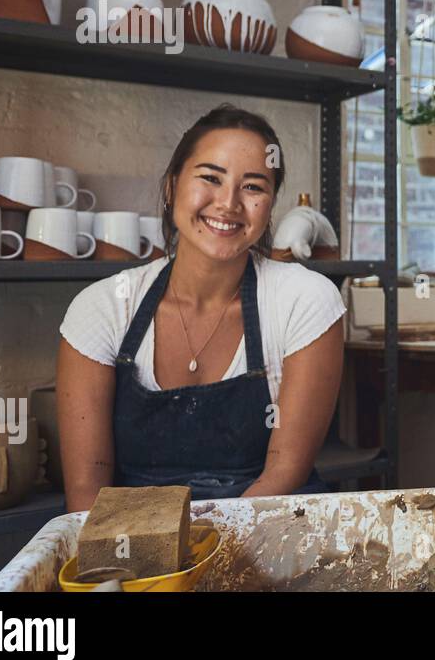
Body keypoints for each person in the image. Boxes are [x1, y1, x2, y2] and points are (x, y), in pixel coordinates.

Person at [57, 104, 346, 511]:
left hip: (267, 527)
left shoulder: (305, 300)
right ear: (173, 186)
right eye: (210, 178)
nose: (228, 204)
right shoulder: (102, 308)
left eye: (253, 187)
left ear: (270, 204)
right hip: (138, 540)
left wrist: (207, 559)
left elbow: (283, 474)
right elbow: (87, 498)